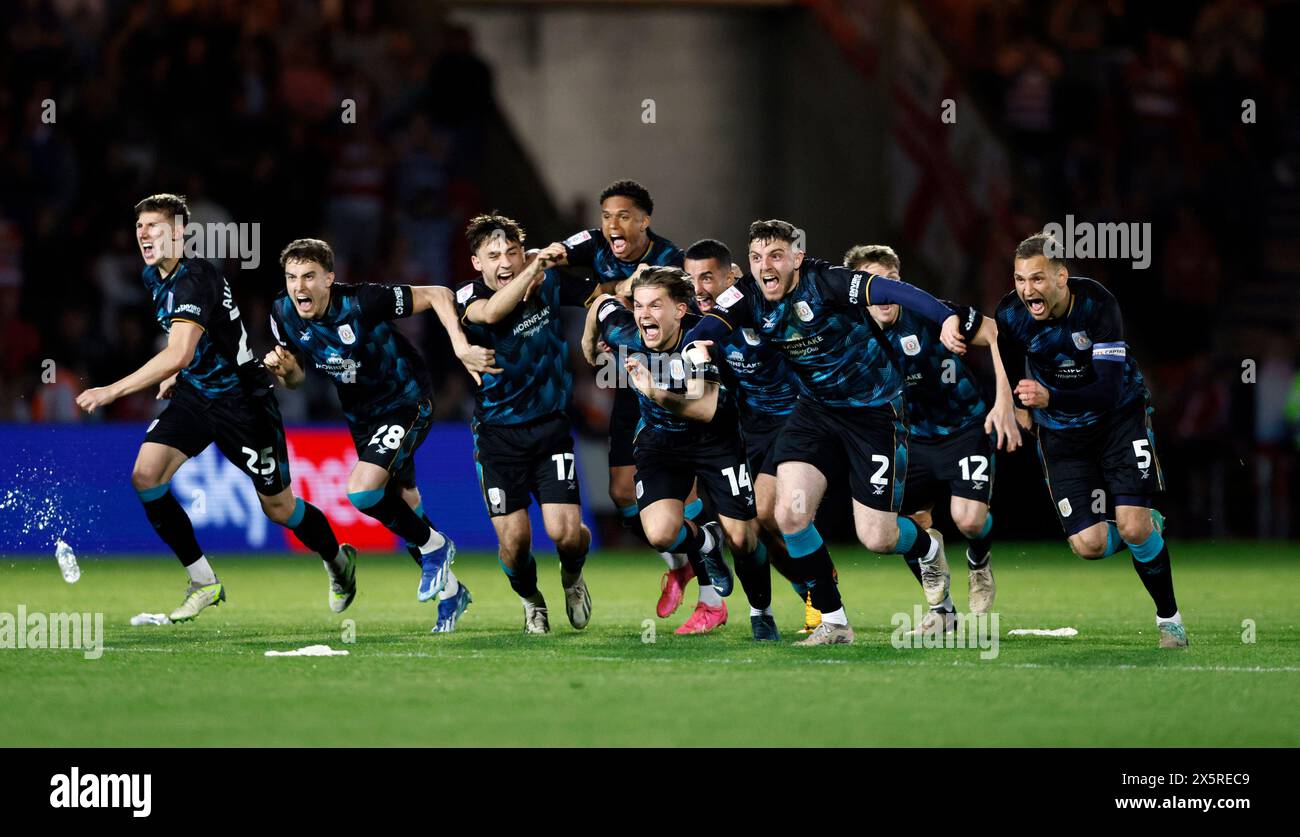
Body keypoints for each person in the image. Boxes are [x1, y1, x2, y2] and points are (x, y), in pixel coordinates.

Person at [686, 220, 1009, 645]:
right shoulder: (746, 293)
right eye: (758, 258)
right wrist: (695, 342)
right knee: (788, 516)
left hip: (874, 413)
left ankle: (928, 550)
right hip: (816, 411)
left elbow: (895, 292)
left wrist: (946, 317)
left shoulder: (828, 283)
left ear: (797, 258)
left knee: (877, 537)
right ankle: (835, 622)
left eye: (777, 256)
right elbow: (715, 322)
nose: (766, 266)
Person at [75, 194, 350, 622]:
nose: (144, 235)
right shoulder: (154, 276)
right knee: (146, 476)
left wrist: (112, 390)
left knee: (278, 508)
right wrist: (175, 372)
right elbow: (184, 344)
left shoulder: (195, 278)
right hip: (198, 395)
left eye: (155, 227)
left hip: (244, 403)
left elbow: (180, 350)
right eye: (140, 228)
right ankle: (204, 581)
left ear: (180, 233)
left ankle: (338, 562)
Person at [265, 237, 494, 632]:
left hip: (406, 400)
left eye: (309, 277)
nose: (299, 287)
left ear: (330, 279)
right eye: (291, 277)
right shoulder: (283, 313)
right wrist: (285, 370)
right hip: (362, 416)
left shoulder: (363, 302)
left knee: (363, 491)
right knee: (404, 503)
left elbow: (440, 294)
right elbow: (298, 381)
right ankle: (451, 592)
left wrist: (460, 347)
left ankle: (437, 546)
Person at [996, 232, 1184, 648]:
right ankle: (1144, 531)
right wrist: (1018, 402)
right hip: (1061, 433)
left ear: (1062, 276)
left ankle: (1169, 618)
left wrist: (1048, 396)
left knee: (1133, 527)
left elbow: (1107, 390)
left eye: (1038, 279)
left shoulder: (1099, 306)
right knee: (1090, 545)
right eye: (1020, 279)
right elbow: (1007, 352)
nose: (1028, 290)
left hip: (1119, 418)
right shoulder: (1010, 313)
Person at [586, 267, 777, 639]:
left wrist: (653, 391)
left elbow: (703, 409)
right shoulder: (625, 328)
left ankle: (761, 611)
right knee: (658, 533)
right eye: (640, 305)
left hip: (715, 440)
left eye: (656, 305)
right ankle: (706, 542)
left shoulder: (700, 339)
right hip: (660, 442)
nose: (644, 314)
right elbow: (601, 305)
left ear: (680, 309)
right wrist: (589, 345)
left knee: (743, 538)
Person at [847, 244, 1020, 634]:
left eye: (892, 282)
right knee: (907, 525)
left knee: (969, 520)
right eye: (875, 285)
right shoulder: (852, 332)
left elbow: (994, 332)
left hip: (964, 428)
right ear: (858, 291)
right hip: (909, 439)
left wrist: (1004, 400)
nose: (885, 293)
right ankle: (942, 613)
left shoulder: (932, 313)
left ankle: (978, 561)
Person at [453, 214, 594, 634]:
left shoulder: (546, 284)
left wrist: (604, 315)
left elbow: (598, 292)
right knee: (515, 545)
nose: (505, 261)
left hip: (550, 429)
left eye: (512, 251)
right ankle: (532, 600)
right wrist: (536, 264)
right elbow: (494, 313)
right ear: (477, 262)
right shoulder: (468, 297)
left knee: (566, 534)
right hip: (498, 437)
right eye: (493, 254)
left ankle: (572, 578)